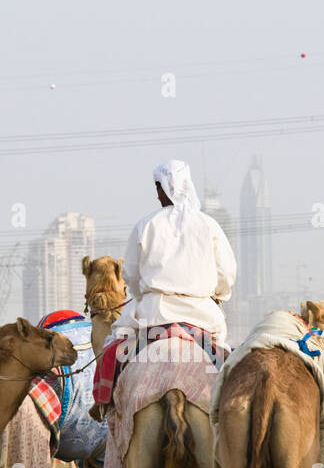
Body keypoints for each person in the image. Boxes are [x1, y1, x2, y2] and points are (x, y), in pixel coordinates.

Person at [92, 159, 237, 408]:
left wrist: (141, 294)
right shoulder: (209, 225)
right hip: (203, 316)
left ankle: (105, 406)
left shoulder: (145, 225)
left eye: (157, 187)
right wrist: (217, 296)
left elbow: (131, 275)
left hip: (151, 316)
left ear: (162, 188)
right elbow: (226, 273)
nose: (157, 193)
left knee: (111, 351)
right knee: (229, 365)